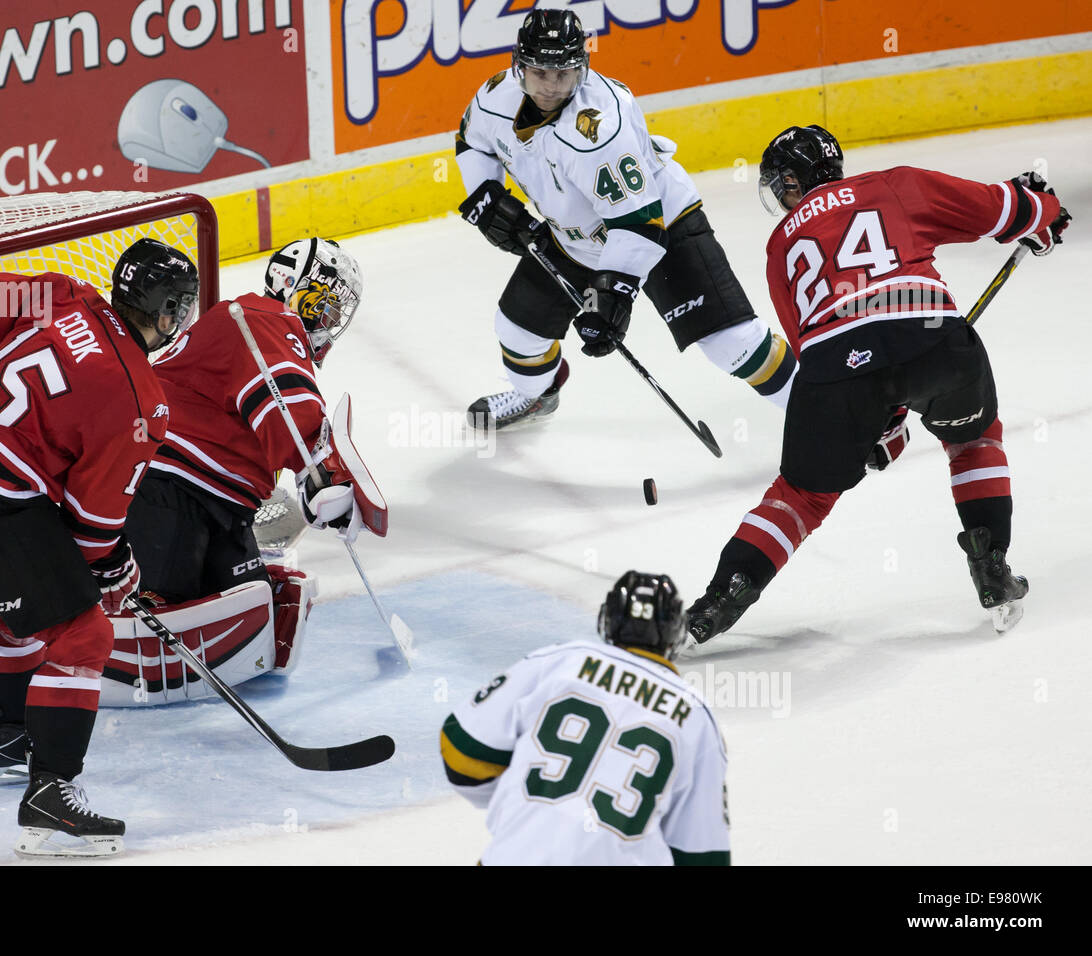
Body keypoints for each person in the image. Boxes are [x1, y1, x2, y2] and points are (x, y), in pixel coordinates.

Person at [684, 125, 1072, 646]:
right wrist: (1038, 211)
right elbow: (998, 210)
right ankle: (993, 569)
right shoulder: (893, 185)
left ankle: (722, 597)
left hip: (835, 374)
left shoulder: (781, 245)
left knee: (801, 497)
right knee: (973, 440)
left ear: (795, 182)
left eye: (779, 184)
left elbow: (817, 348)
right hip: (931, 337)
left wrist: (878, 421)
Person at [0, 237, 198, 857]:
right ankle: (51, 801)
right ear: (163, 311)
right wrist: (117, 572)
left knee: (25, 606)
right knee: (83, 633)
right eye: (179, 309)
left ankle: (9, 737)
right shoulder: (142, 400)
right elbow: (91, 528)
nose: (179, 322)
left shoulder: (63, 295)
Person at [455, 8, 796, 430]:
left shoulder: (601, 127)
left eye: (563, 74)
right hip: (572, 239)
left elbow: (640, 224)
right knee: (516, 331)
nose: (550, 85)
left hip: (661, 226)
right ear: (518, 65)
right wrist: (486, 195)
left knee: (731, 343)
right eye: (539, 72)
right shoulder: (494, 99)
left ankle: (828, 412)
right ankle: (536, 396)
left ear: (582, 67)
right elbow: (472, 142)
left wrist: (614, 293)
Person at [99, 237, 369, 705]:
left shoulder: (265, 328)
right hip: (167, 487)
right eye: (324, 304)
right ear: (295, 289)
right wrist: (319, 474)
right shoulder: (258, 319)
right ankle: (20, 650)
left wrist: (320, 474)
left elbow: (285, 413)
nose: (328, 321)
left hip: (220, 505)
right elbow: (285, 405)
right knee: (160, 608)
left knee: (253, 598)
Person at [441, 571, 730, 865]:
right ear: (675, 633)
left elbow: (461, 749)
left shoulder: (560, 661)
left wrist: (525, 802)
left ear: (608, 621)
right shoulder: (696, 715)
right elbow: (704, 855)